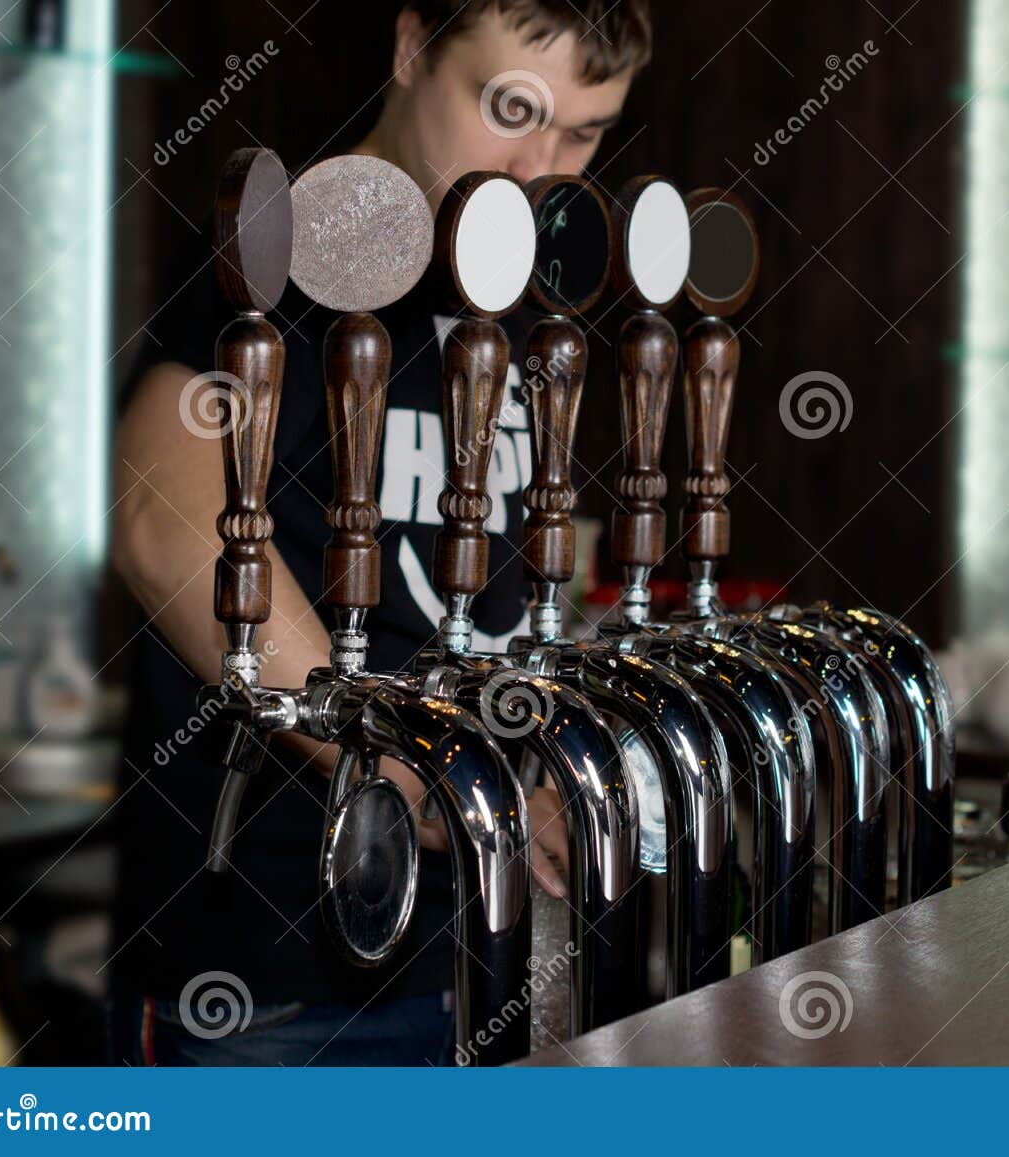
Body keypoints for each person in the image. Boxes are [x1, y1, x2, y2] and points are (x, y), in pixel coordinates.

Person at [108, 0, 653, 1066]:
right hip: (271, 981)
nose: (536, 168)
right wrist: (423, 771)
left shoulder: (524, 286)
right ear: (410, 48)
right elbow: (162, 524)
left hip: (478, 946)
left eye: (582, 134)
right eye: (510, 109)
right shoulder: (287, 244)